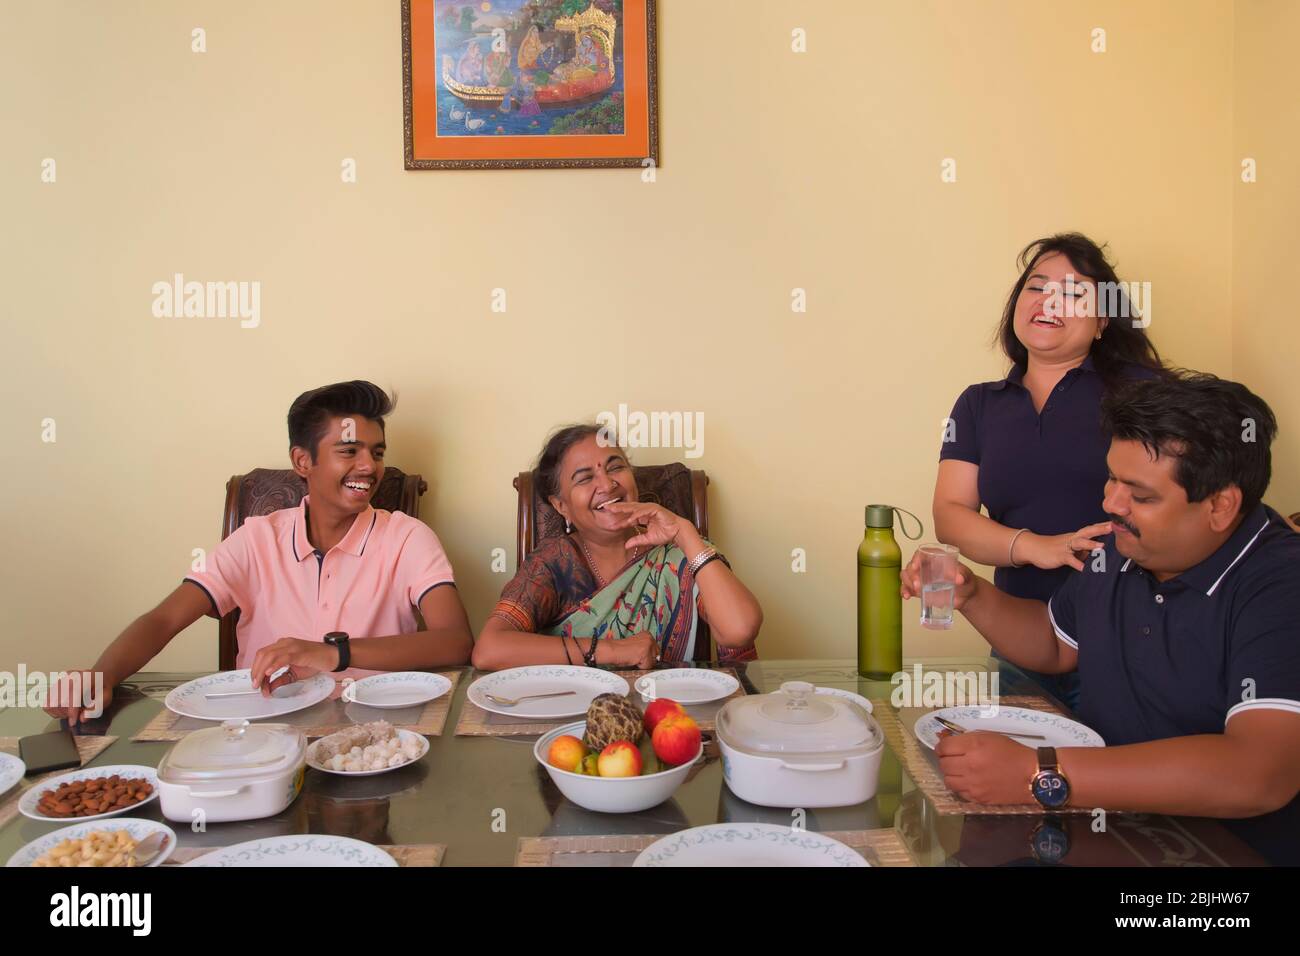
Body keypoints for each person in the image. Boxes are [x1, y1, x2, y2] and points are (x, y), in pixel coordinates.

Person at [903, 372, 1300, 860]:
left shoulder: (1280, 585)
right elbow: (1055, 642)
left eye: (1141, 494)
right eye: (1111, 477)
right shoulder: (1117, 548)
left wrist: (1040, 771)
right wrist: (973, 595)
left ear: (1221, 506)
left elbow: (1258, 774)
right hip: (1102, 834)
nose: (1111, 503)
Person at [44, 381, 473, 724]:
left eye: (377, 453)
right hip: (260, 732)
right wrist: (101, 674)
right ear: (302, 461)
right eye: (349, 451)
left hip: (374, 736)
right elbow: (163, 619)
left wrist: (333, 654)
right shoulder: (256, 539)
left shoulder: (408, 537)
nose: (369, 467)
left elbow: (454, 642)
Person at [933, 234, 1165, 707]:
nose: (1049, 301)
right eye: (1036, 287)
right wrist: (1037, 548)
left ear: (1103, 321)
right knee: (1024, 771)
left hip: (1123, 640)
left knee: (1109, 774)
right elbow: (951, 515)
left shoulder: (1145, 393)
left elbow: (1184, 503)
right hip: (1017, 639)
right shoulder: (979, 404)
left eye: (1075, 293)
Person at [473, 425, 762, 670]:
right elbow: (489, 650)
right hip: (573, 724)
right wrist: (611, 650)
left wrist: (686, 534)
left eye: (616, 467)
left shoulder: (680, 553)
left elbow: (740, 629)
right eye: (585, 478)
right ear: (562, 506)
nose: (607, 484)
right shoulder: (554, 564)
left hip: (668, 718)